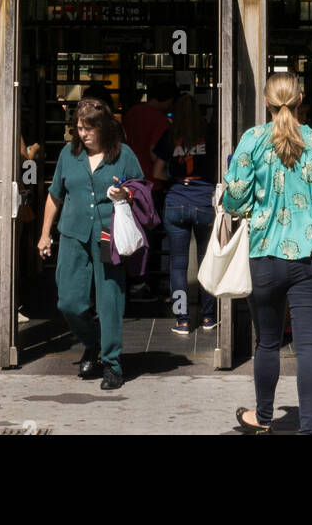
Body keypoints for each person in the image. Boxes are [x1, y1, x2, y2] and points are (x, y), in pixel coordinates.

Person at [222, 72, 312, 436]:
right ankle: (309, 428)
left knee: (267, 342)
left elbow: (234, 197)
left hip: (266, 255)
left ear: (266, 102)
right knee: (309, 346)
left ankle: (264, 418)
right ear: (301, 98)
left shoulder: (252, 140)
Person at [38, 98, 143, 391]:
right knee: (68, 301)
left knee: (110, 301)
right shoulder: (67, 155)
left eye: (89, 128)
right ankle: (91, 341)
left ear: (105, 128)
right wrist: (45, 233)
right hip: (73, 234)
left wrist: (126, 194)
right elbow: (54, 195)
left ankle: (112, 364)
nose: (83, 134)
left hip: (109, 237)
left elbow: (141, 190)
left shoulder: (124, 155)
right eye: (79, 128)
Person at [153, 93, 217, 334]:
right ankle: (209, 317)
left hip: (177, 200)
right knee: (206, 261)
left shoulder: (169, 137)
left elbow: (157, 172)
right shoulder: (210, 134)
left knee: (178, 266)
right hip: (205, 201)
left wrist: (175, 177)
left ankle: (182, 319)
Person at [123, 79, 176, 299]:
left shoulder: (131, 113)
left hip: (128, 184)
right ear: (166, 100)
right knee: (150, 235)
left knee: (129, 233)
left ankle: (130, 279)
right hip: (152, 184)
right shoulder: (161, 120)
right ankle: (145, 280)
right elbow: (156, 153)